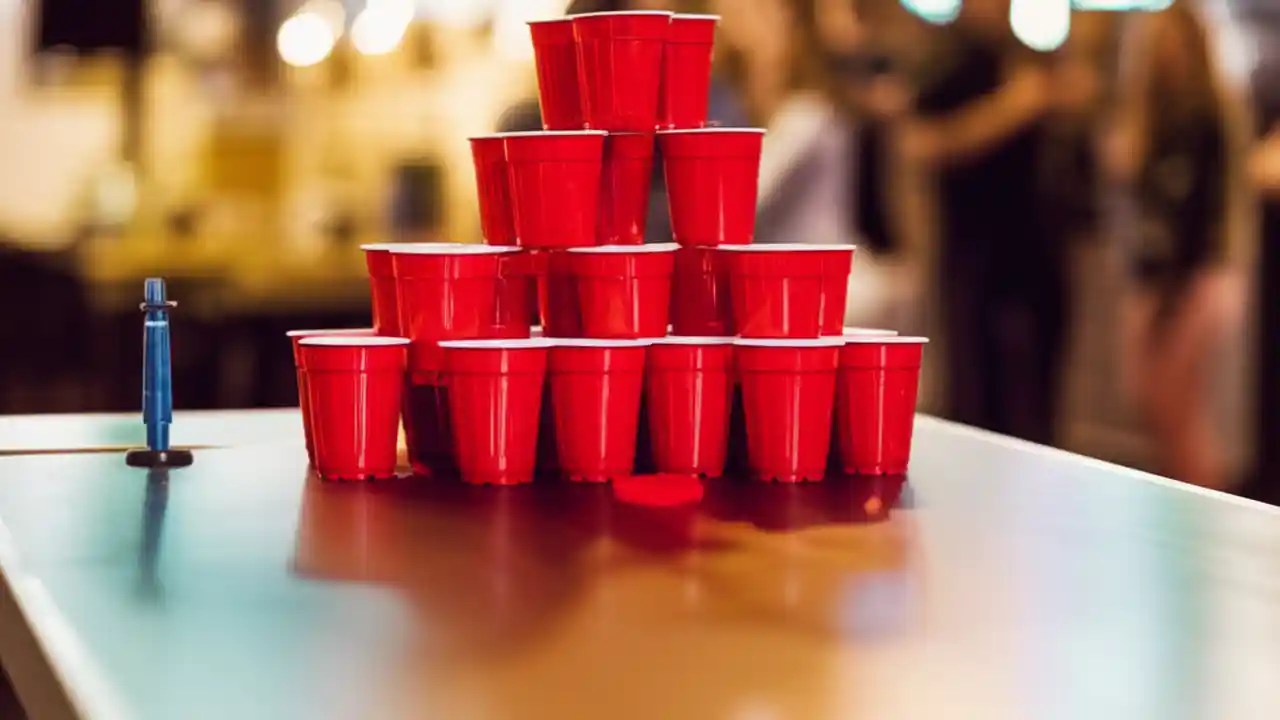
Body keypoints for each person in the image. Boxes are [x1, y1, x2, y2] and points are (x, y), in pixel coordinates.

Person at [907, 0, 1065, 444]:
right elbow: (920, 144)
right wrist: (1011, 109)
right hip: (974, 256)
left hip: (1037, 251)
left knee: (1034, 404)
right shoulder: (946, 57)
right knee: (978, 398)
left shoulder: (1026, 52)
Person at [1112, 3, 1246, 491]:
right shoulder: (1152, 118)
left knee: (1177, 407)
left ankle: (1203, 502)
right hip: (1160, 275)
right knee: (1154, 402)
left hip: (1193, 276)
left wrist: (1168, 299)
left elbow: (1189, 223)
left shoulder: (1204, 117)